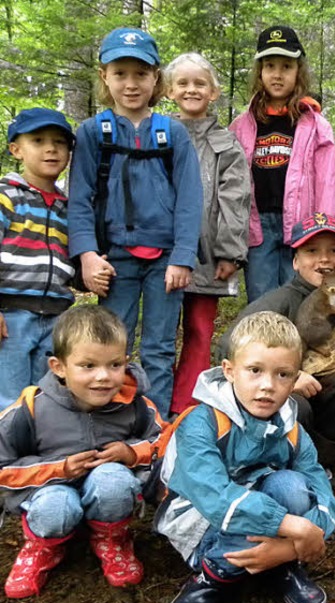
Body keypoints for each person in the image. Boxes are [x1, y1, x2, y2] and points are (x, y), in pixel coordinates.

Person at [158, 311, 335, 603]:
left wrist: (292, 547)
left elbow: (321, 490)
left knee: (294, 487)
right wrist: (295, 529)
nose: (268, 386)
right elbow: (214, 497)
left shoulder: (291, 428)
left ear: (296, 377)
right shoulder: (201, 424)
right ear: (229, 371)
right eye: (254, 371)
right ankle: (211, 580)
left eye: (283, 374)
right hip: (198, 520)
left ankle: (280, 565)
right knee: (254, 506)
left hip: (261, 513)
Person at [67, 27, 203, 416]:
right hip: (115, 258)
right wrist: (87, 256)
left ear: (155, 78)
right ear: (104, 75)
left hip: (165, 261)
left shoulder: (172, 133)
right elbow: (80, 199)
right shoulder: (94, 132)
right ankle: (112, 417)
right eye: (120, 73)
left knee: (160, 345)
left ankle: (154, 424)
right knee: (111, 344)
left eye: (140, 74)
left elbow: (190, 200)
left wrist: (182, 256)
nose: (131, 84)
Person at [1, 305, 163, 598]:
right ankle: (43, 545)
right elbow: (3, 467)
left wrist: (131, 453)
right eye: (88, 366)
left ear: (126, 362)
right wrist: (59, 469)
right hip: (48, 493)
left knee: (113, 478)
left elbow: (164, 443)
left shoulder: (135, 404)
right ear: (58, 367)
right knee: (57, 503)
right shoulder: (32, 407)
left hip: (106, 494)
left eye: (114, 365)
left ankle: (112, 539)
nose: (103, 377)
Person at [218, 214, 335, 467]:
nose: (324, 259)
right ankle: (278, 464)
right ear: (296, 261)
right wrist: (287, 378)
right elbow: (227, 347)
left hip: (323, 386)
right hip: (276, 393)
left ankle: (322, 462)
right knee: (296, 405)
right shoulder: (277, 303)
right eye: (312, 251)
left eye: (334, 251)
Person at [164, 52, 250, 416]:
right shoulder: (158, 134)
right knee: (161, 334)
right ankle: (155, 403)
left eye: (199, 83)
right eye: (182, 83)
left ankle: (188, 408)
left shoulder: (227, 143)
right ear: (169, 91)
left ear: (213, 92)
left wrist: (230, 251)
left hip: (209, 257)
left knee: (200, 332)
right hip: (163, 256)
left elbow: (236, 198)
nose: (191, 89)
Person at [230, 25, 335, 300]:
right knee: (262, 296)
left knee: (303, 295)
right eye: (270, 66)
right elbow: (231, 181)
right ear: (260, 72)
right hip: (257, 226)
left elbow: (328, 181)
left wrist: (326, 228)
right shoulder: (241, 125)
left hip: (303, 226)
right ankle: (263, 343)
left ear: (298, 72)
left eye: (286, 66)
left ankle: (300, 344)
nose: (277, 74)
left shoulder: (315, 125)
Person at [0, 109, 75, 408]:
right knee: (9, 396)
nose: (50, 149)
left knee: (47, 396)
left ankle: (39, 452)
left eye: (60, 142)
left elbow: (70, 260)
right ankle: (7, 452)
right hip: (12, 314)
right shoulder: (7, 196)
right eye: (38, 140)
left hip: (56, 316)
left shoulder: (69, 208)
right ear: (16, 150)